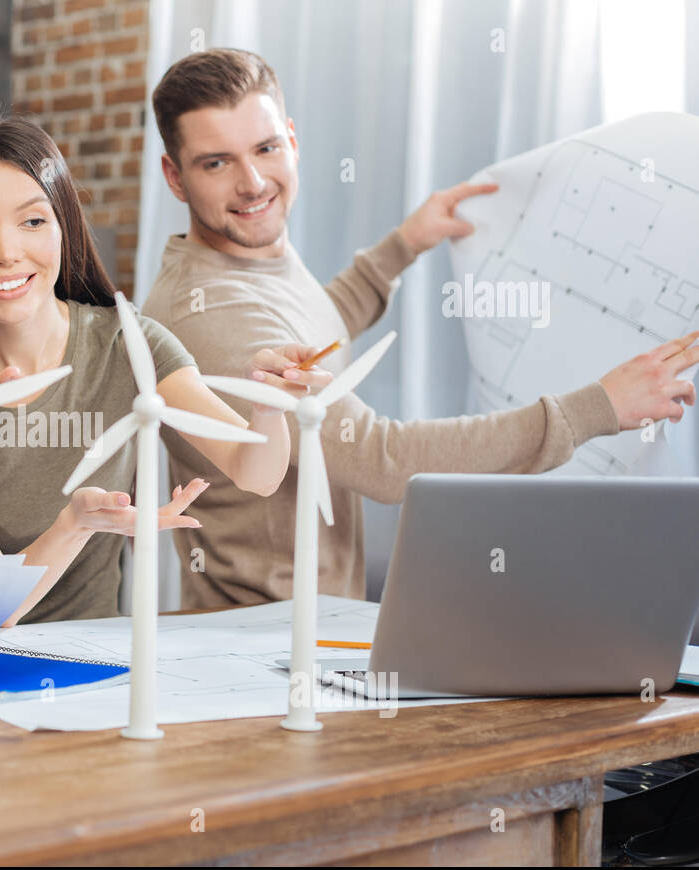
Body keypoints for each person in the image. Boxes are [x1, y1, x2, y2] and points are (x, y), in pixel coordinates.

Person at [143, 48, 699, 609]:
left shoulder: (248, 264)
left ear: (291, 139)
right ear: (175, 176)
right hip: (257, 645)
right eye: (217, 163)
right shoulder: (208, 312)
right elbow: (383, 458)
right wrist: (598, 407)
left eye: (265, 148)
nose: (253, 182)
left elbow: (314, 329)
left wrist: (405, 244)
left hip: (309, 626)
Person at [0, 115, 318, 626]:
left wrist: (265, 407)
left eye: (32, 221)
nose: (6, 252)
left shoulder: (128, 344)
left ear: (64, 228)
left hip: (97, 662)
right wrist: (75, 524)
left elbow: (256, 472)